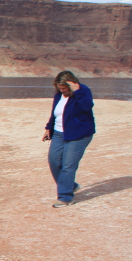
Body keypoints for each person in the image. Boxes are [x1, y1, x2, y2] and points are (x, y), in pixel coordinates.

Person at [41, 70, 95, 207]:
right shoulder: (58, 95)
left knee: (68, 165)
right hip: (58, 134)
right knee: (54, 162)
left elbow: (87, 106)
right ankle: (71, 185)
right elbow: (55, 114)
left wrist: (77, 92)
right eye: (59, 88)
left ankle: (65, 198)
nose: (62, 91)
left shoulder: (83, 91)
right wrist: (48, 128)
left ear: (72, 84)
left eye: (64, 88)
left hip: (78, 134)